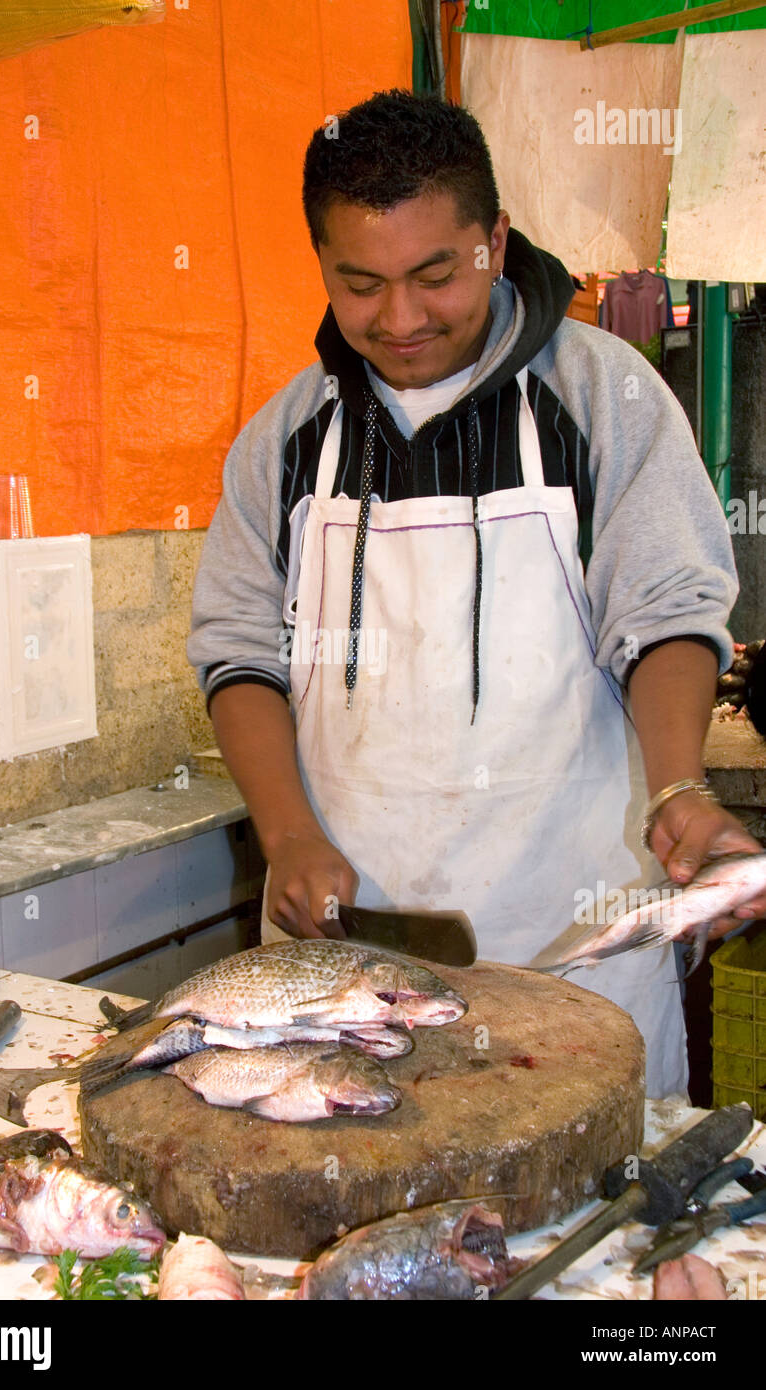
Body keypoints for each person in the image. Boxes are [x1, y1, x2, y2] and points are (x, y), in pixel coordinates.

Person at [186, 90, 766, 1099]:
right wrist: (285, 836)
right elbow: (238, 653)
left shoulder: (600, 396)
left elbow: (666, 611)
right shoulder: (285, 441)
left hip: (568, 947)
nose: (399, 320)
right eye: (358, 283)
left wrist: (677, 785)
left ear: (493, 240)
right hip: (350, 966)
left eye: (433, 274)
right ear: (319, 260)